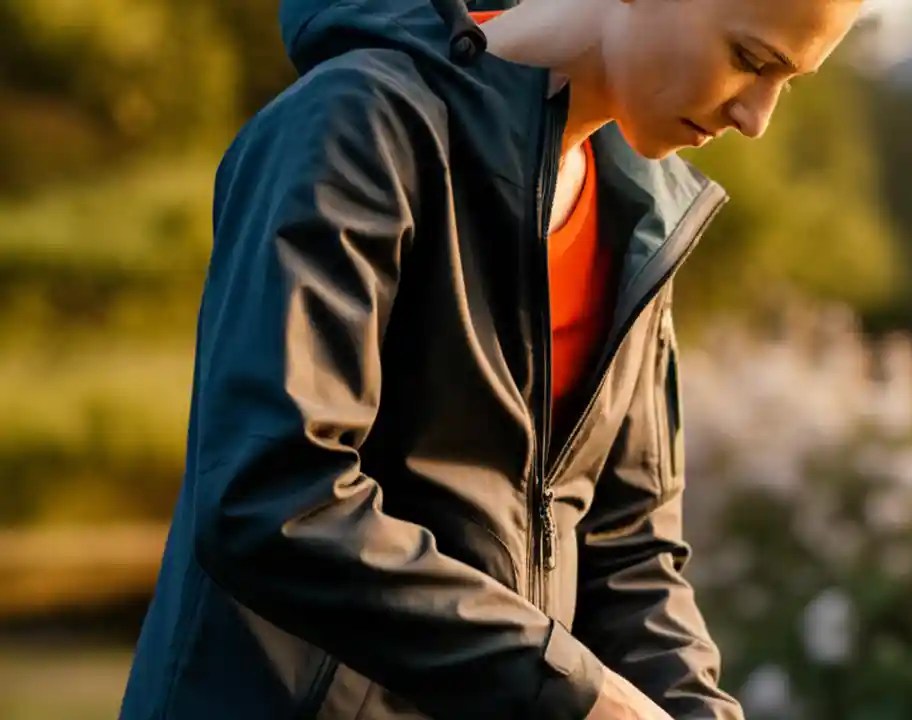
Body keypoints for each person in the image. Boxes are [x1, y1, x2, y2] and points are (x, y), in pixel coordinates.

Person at [118, 0, 861, 717]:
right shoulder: (355, 128)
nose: (757, 118)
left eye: (785, 82)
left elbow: (629, 552)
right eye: (749, 59)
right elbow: (274, 499)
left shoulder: (639, 220)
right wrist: (569, 692)